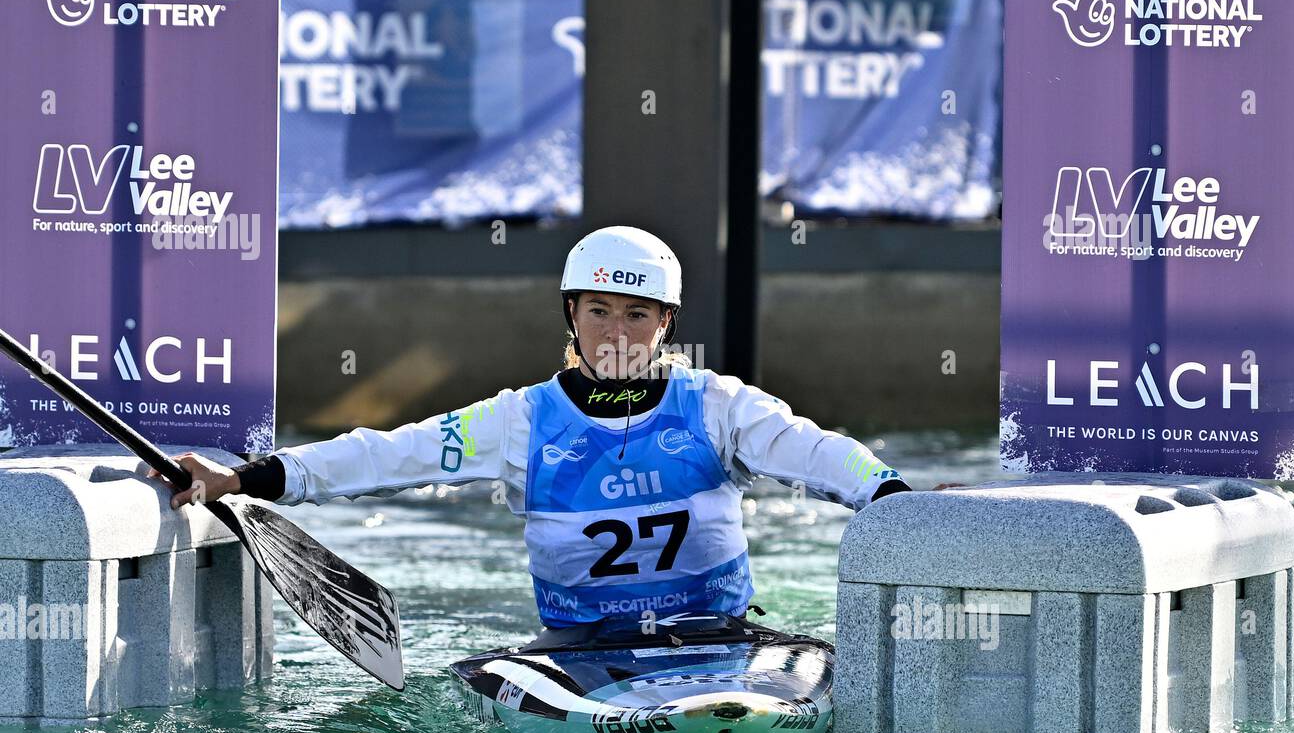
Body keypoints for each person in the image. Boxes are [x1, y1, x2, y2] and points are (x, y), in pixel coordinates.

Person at [150, 226, 919, 629]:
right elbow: (385, 457)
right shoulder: (519, 422)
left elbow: (819, 453)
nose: (618, 332)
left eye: (638, 315)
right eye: (599, 311)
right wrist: (242, 477)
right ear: (571, 316)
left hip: (717, 640)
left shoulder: (719, 407)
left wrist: (890, 493)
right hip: (579, 655)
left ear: (666, 324)